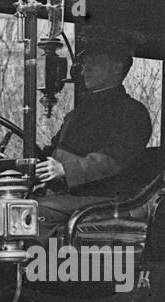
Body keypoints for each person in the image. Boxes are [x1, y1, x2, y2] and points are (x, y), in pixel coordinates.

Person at [35, 30, 152, 192]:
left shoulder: (132, 112)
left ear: (116, 68)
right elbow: (54, 150)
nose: (85, 70)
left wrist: (65, 170)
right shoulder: (77, 113)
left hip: (100, 199)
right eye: (85, 63)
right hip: (65, 192)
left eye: (94, 62)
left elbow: (113, 161)